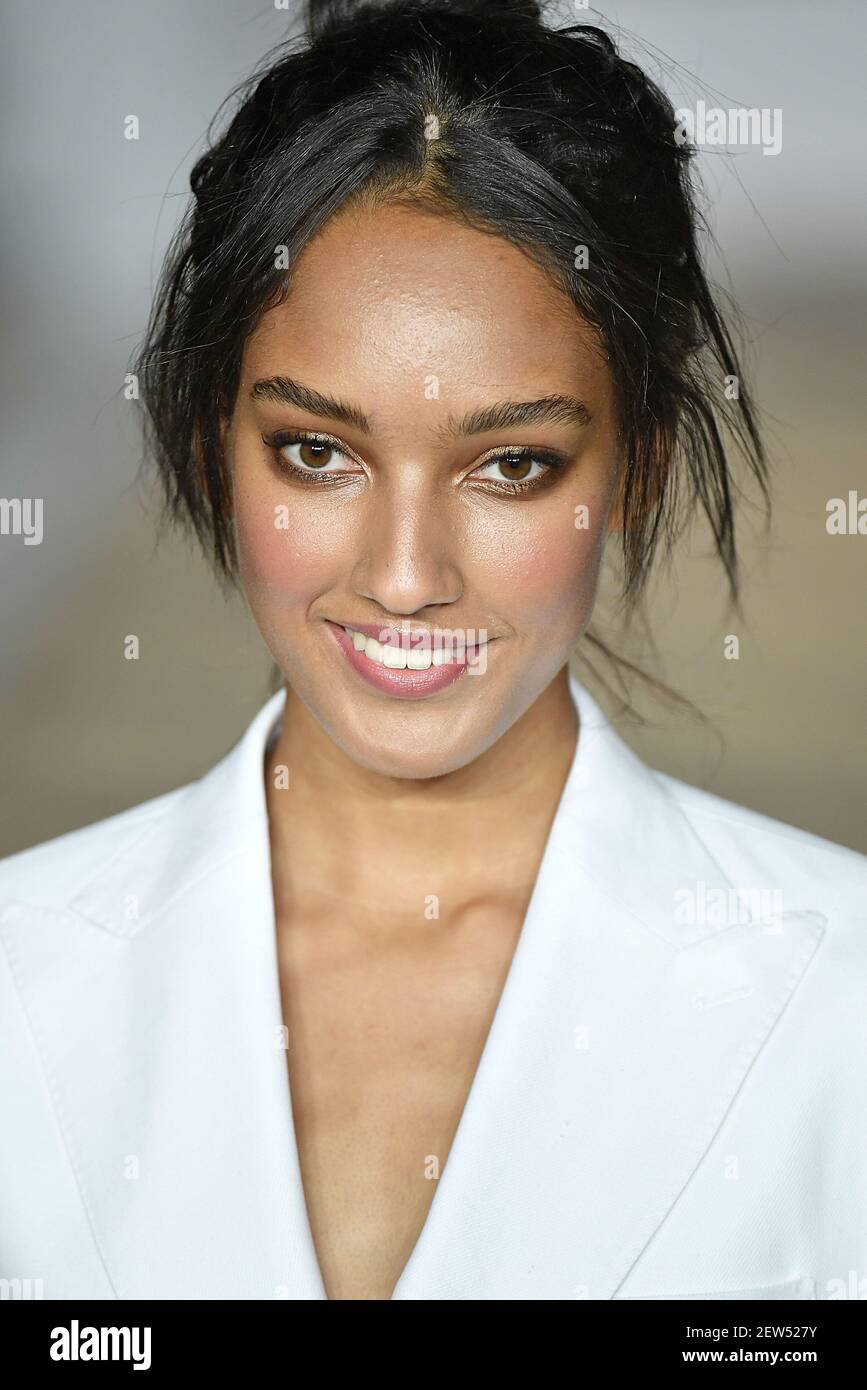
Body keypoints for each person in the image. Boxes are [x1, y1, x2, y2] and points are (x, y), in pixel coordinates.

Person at [0, 0, 864, 1303]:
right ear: (204, 444)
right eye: (316, 450)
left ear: (638, 464)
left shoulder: (841, 1005)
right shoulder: (20, 981)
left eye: (512, 462)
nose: (405, 577)